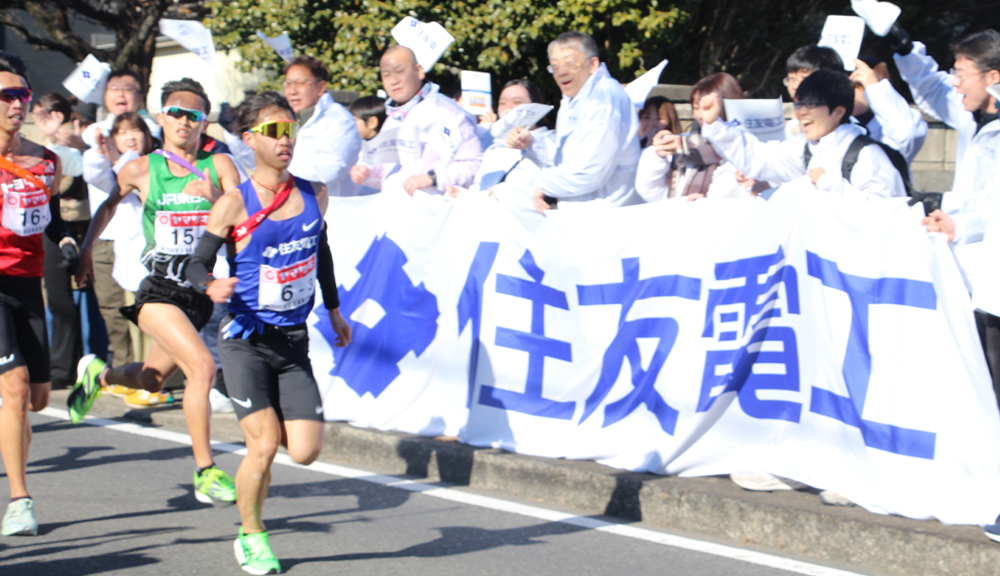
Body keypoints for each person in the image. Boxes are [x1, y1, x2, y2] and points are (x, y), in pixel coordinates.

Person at [184, 91, 351, 574]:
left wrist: (335, 310)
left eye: (291, 129)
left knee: (305, 450)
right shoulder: (234, 203)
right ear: (249, 139)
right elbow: (197, 262)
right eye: (274, 131)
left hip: (293, 341)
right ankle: (252, 534)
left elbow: (320, 253)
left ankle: (257, 472)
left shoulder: (314, 193)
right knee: (262, 444)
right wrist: (209, 283)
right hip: (244, 340)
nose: (285, 140)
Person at [71, 78, 243, 505]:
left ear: (205, 121)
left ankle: (99, 375)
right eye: (176, 113)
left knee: (150, 380)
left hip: (199, 294)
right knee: (201, 368)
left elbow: (245, 218)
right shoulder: (141, 168)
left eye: (195, 115)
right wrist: (89, 249)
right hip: (159, 288)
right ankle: (205, 470)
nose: (185, 121)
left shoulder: (220, 165)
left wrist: (216, 196)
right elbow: (109, 203)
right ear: (162, 117)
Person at [0, 51, 78, 536]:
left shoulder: (44, 160)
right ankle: (20, 499)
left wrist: (69, 242)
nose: (16, 103)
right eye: (6, 95)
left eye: (21, 95)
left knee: (38, 400)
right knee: (14, 387)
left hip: (27, 284)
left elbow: (48, 221)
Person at [699, 69, 906, 200]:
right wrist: (715, 125)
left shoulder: (866, 154)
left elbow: (887, 213)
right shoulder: (804, 148)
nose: (801, 113)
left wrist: (830, 184)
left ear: (838, 112)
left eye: (812, 104)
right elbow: (759, 159)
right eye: (799, 104)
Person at [82, 112, 172, 406]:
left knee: (155, 324)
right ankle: (140, 383)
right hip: (134, 258)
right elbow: (95, 173)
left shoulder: (158, 164)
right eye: (123, 132)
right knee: (136, 320)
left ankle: (142, 381)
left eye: (137, 130)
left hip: (163, 256)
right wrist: (102, 151)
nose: (130, 136)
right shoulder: (115, 169)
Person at [506, 31, 641, 211]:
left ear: (592, 64)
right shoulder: (573, 99)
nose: (561, 72)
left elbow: (590, 173)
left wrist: (543, 185)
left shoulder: (604, 99)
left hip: (604, 218)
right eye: (555, 66)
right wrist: (531, 144)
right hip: (579, 216)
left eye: (570, 63)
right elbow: (566, 160)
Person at [32, 92, 108, 388]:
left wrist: (65, 143)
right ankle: (69, 362)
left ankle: (67, 366)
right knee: (67, 298)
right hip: (61, 227)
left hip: (67, 228)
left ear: (58, 117)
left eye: (42, 115)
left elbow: (75, 172)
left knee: (67, 299)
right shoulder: (48, 149)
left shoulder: (63, 151)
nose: (37, 120)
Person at [349, 45, 484, 196]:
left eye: (400, 71)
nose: (393, 81)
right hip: (393, 210)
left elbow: (472, 165)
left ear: (419, 71)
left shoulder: (446, 113)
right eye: (386, 75)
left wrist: (432, 178)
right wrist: (366, 173)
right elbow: (387, 171)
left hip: (434, 212)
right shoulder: (393, 116)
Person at [635, 73, 753, 201]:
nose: (702, 115)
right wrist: (657, 156)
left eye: (708, 107)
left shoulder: (747, 146)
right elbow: (650, 192)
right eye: (696, 107)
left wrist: (704, 206)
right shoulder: (683, 143)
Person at [447, 79, 551, 211]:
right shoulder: (494, 147)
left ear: (536, 105)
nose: (508, 108)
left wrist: (508, 194)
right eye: (503, 103)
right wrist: (460, 194)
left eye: (516, 102)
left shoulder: (549, 142)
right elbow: (480, 188)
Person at [850, 55, 928, 166]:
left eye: (855, 87)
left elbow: (905, 136)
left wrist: (874, 87)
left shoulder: (901, 119)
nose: (847, 93)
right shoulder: (835, 123)